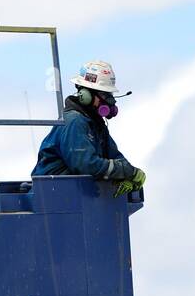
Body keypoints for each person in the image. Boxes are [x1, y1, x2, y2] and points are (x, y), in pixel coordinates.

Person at [32, 59, 146, 196]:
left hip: (71, 196)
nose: (109, 100)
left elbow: (116, 158)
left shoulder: (95, 124)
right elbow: (86, 165)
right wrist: (125, 171)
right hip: (51, 194)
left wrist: (131, 174)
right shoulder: (74, 122)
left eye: (109, 94)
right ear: (85, 95)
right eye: (104, 94)